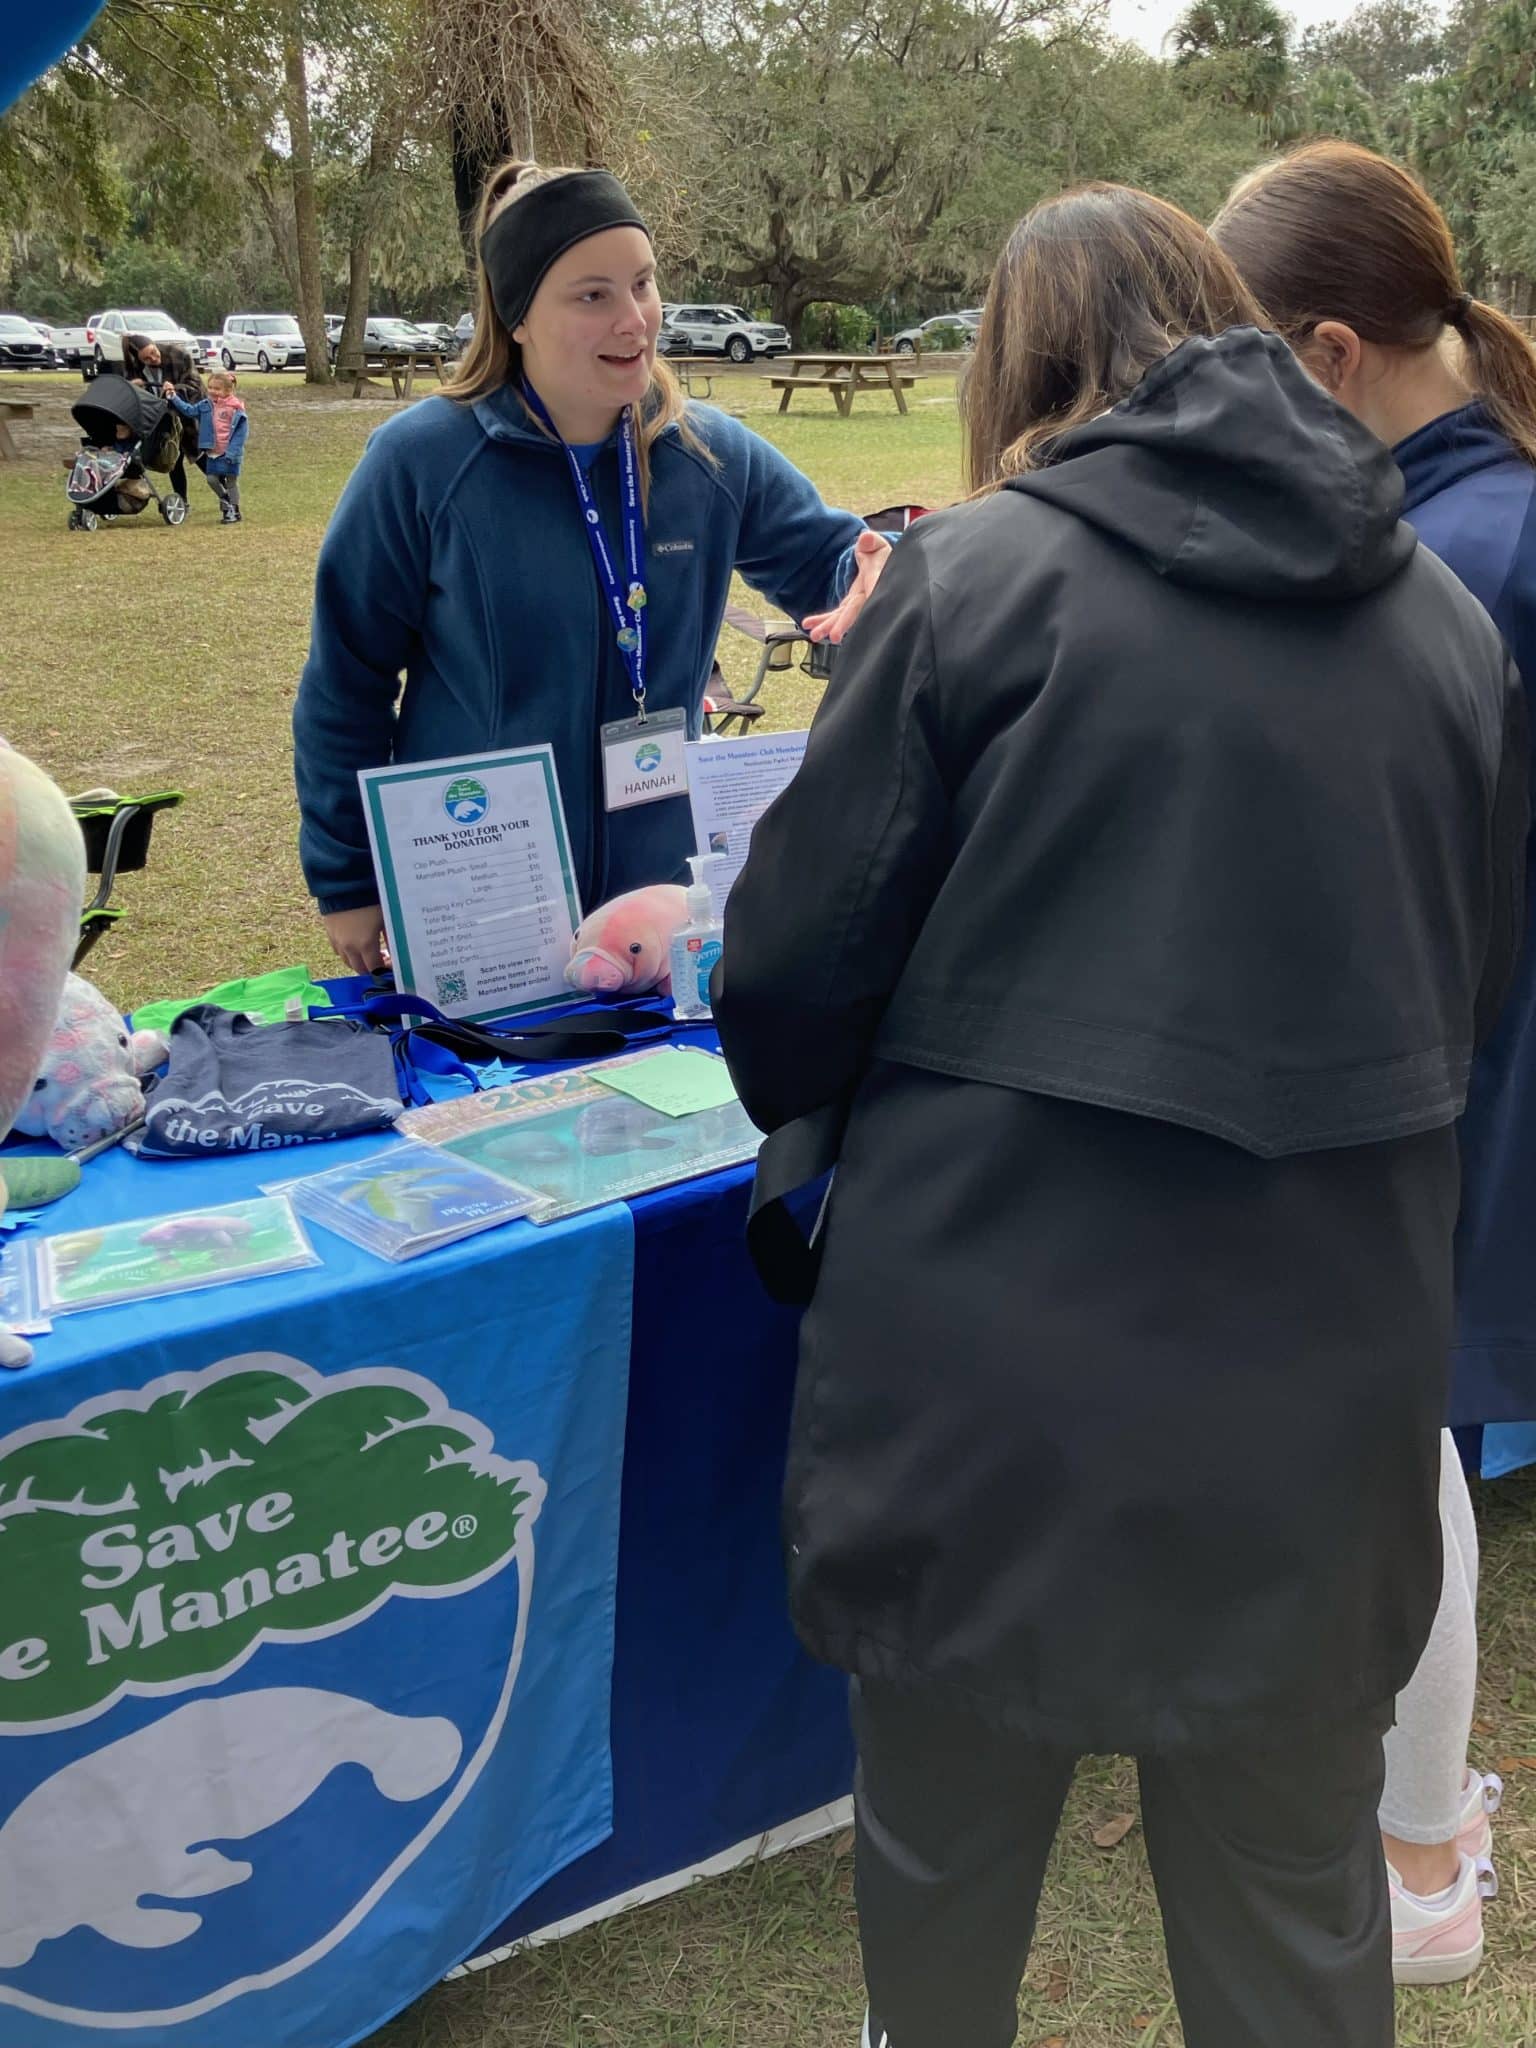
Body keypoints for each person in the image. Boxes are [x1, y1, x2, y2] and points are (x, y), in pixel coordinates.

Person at [711, 183, 1528, 2048]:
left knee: (945, 1891)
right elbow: (1463, 992)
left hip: (983, 1384)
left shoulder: (970, 580)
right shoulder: (1441, 625)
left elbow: (785, 984)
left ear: (1018, 365)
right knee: (1288, 1918)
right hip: (1314, 1390)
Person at [1209, 140, 1536, 1986]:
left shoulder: (1446, 556)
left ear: (1329, 354)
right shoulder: (1486, 511)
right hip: (1465, 1062)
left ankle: (1419, 1860)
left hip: (1448, 1079)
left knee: (1395, 1457)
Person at [292, 159, 891, 974]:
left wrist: (875, 578)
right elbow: (345, 683)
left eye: (642, 285)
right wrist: (347, 879)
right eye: (592, 295)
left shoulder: (709, 454)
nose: (634, 321)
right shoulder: (423, 466)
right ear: (516, 316)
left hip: (661, 908)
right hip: (483, 902)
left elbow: (833, 560)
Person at [123, 334, 200, 507]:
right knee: (173, 459)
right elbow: (130, 396)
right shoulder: (136, 368)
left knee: (201, 456)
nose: (152, 358)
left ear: (154, 344)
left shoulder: (179, 355)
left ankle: (226, 495)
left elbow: (196, 386)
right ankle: (182, 502)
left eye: (153, 352)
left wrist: (175, 390)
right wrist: (133, 387)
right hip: (161, 420)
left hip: (187, 416)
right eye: (146, 358)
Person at [165, 368, 249, 522]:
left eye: (217, 389)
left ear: (229, 390)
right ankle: (226, 500)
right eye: (210, 387)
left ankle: (233, 511)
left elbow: (241, 433)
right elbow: (188, 411)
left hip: (230, 453)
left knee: (231, 482)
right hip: (212, 452)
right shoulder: (205, 405)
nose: (212, 391)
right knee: (211, 479)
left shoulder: (235, 408)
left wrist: (233, 452)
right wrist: (173, 397)